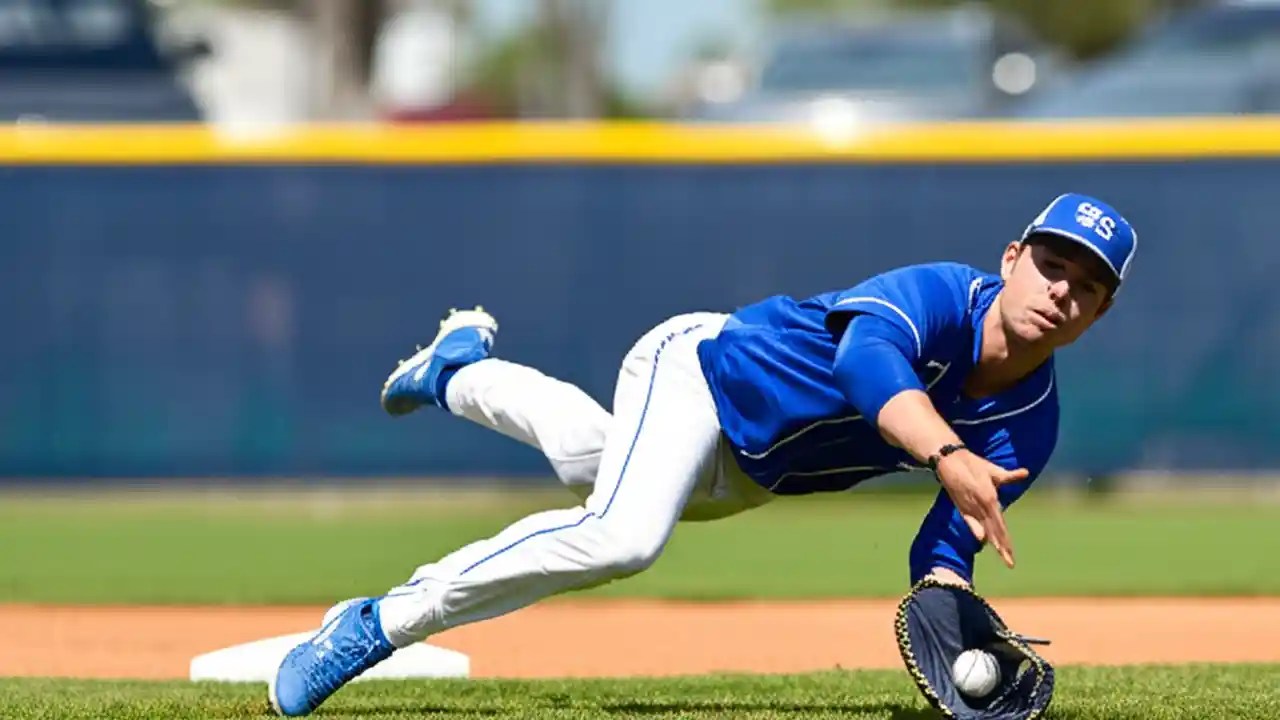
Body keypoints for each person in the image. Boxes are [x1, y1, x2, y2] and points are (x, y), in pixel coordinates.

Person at [268, 192, 1137, 716]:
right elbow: (864, 361)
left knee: (588, 458)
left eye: (1087, 285)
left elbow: (940, 550)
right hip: (700, 371)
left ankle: (460, 371)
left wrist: (950, 605)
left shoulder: (1030, 425)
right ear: (1013, 258)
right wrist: (947, 452)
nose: (1061, 290)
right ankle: (378, 623)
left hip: (751, 473)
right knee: (620, 535)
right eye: (1051, 264)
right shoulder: (944, 294)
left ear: (1100, 315)